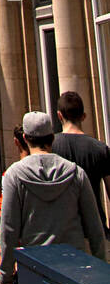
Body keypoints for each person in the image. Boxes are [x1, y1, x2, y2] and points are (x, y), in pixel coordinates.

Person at [0, 110, 107, 284]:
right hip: (74, 267)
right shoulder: (75, 173)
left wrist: (5, 273)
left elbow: (9, 228)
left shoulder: (14, 175)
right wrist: (100, 266)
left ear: (24, 138)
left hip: (35, 266)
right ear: (52, 137)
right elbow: (94, 227)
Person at [51, 91, 110, 234]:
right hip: (94, 228)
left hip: (61, 231)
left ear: (59, 115)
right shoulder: (101, 149)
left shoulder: (50, 147)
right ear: (83, 116)